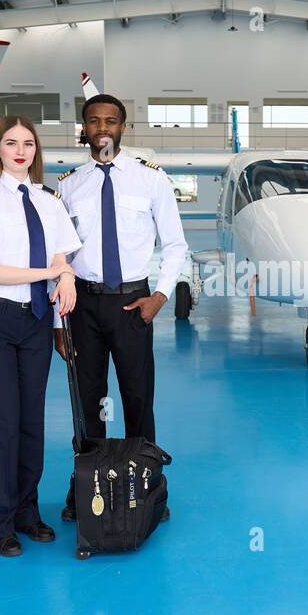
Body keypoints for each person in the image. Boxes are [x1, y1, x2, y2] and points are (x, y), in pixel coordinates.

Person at [53, 93, 187, 522]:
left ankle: (147, 490)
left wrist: (160, 297)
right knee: (87, 402)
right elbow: (60, 256)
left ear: (123, 128)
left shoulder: (151, 180)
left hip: (134, 303)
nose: (103, 128)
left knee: (137, 399)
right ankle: (85, 487)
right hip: (82, 305)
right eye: (94, 121)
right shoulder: (69, 185)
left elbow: (175, 244)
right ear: (85, 128)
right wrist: (61, 317)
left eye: (111, 121)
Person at [0, 115, 80, 557]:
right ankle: (1, 521)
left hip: (36, 320)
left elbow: (62, 253)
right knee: (2, 423)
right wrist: (52, 272)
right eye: (11, 143)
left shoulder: (49, 200)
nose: (20, 150)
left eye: (28, 143)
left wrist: (65, 276)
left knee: (32, 422)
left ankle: (28, 513)